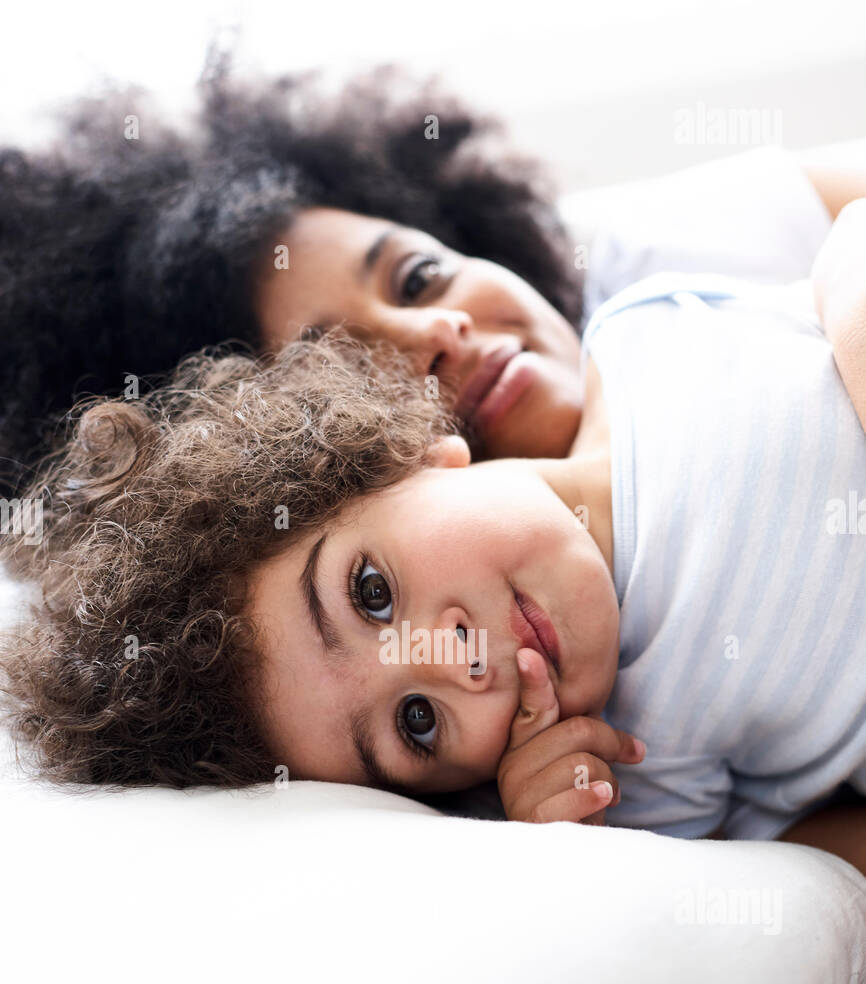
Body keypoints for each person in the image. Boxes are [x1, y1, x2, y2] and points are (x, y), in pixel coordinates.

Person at [3, 219, 866, 874]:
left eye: (371, 593)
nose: (456, 661)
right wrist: (569, 836)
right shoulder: (640, 763)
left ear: (404, 455)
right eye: (417, 723)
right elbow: (820, 868)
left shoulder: (642, 343)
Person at [1, 58, 860, 490]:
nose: (435, 333)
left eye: (416, 277)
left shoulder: (661, 254)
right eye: (349, 371)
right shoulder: (498, 678)